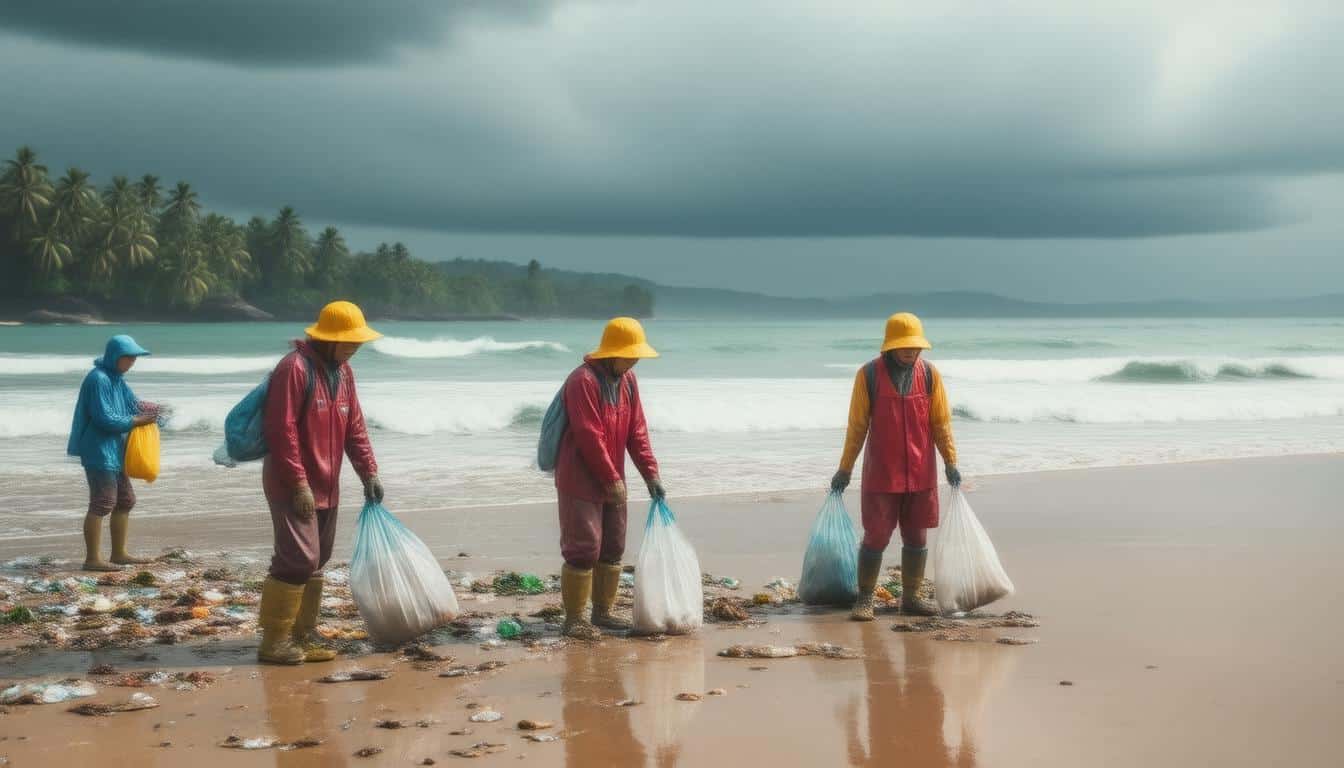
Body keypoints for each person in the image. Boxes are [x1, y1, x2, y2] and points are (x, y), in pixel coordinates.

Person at [256, 301, 383, 665]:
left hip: (328, 483)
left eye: (358, 343)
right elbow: (282, 431)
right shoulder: (293, 369)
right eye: (348, 343)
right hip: (291, 482)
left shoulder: (344, 374)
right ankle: (274, 640)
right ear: (327, 339)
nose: (355, 349)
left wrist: (369, 472)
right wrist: (298, 483)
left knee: (318, 559)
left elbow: (354, 428)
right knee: (297, 558)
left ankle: (304, 633)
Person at [831, 312, 960, 620]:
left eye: (915, 346)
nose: (911, 351)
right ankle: (864, 599)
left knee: (917, 537)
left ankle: (912, 598)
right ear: (889, 345)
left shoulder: (929, 375)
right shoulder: (869, 375)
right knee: (876, 536)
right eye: (905, 346)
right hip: (882, 474)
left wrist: (951, 461)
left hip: (921, 472)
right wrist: (845, 468)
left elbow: (941, 423)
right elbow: (857, 426)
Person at [554, 317, 663, 640]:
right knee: (583, 548)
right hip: (580, 478)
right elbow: (589, 435)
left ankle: (602, 612)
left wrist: (650, 473)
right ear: (612, 352)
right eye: (629, 355)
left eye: (636, 355)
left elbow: (637, 432)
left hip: (613, 476)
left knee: (613, 546)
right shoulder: (582, 381)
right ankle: (574, 619)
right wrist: (611, 479)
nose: (635, 361)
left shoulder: (628, 382)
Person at [68, 335, 160, 572]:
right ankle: (92, 559)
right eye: (128, 357)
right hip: (98, 450)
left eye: (134, 358)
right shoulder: (98, 379)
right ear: (115, 356)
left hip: (116, 451)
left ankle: (119, 554)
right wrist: (137, 420)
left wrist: (154, 410)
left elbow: (133, 405)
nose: (132, 362)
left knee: (126, 501)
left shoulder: (117, 379)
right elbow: (104, 418)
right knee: (102, 502)